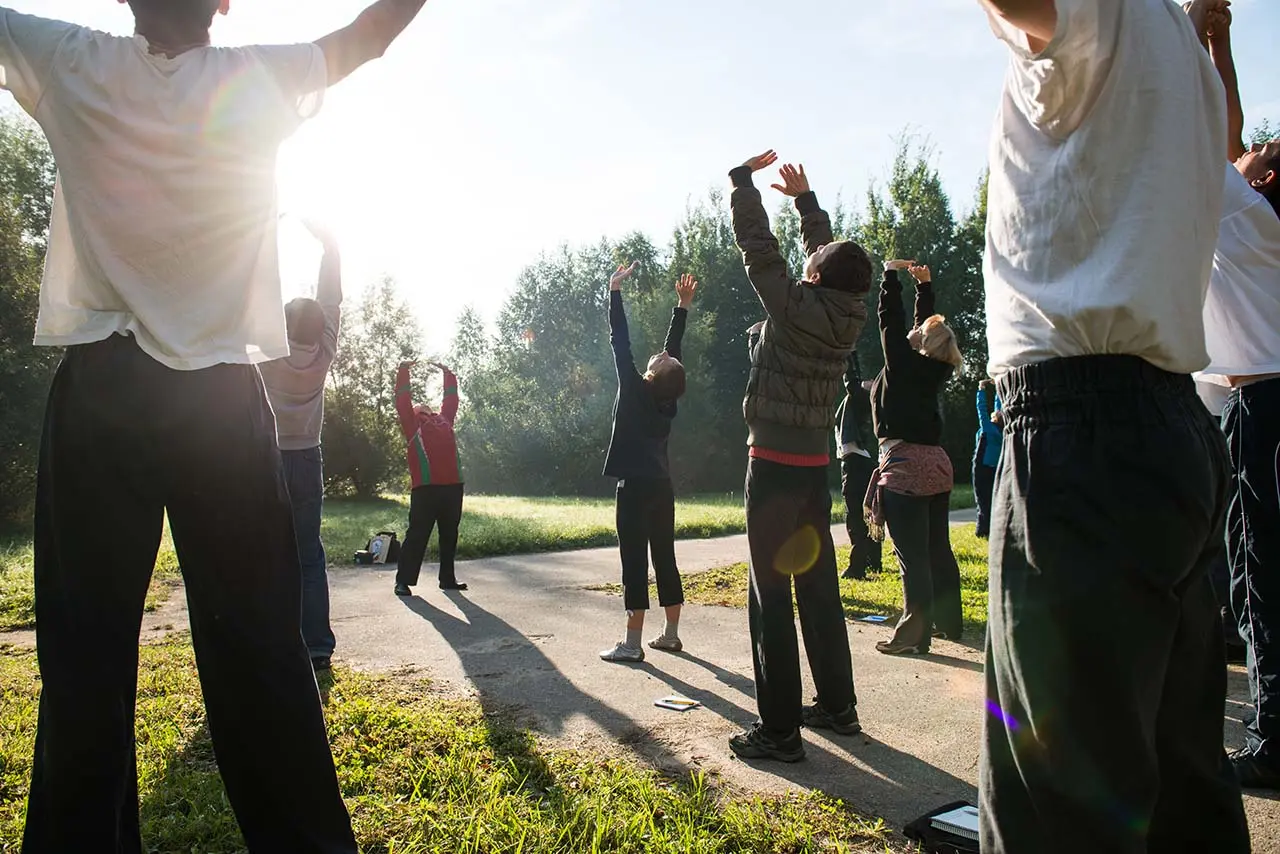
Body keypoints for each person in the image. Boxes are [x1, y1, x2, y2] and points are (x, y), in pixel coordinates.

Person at [4, 0, 431, 848]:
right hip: (220, 406)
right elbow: (369, 35)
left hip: (103, 395)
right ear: (226, 2)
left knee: (84, 667)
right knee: (263, 659)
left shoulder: (68, 61)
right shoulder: (257, 79)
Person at [976, 0, 1250, 850]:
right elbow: (1232, 137)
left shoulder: (1108, 12)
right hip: (1174, 425)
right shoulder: (1181, 53)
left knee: (1058, 812)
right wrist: (1216, 38)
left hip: (1077, 434)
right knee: (1181, 792)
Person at [726, 153, 872, 763]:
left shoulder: (795, 304)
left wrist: (743, 187)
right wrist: (808, 205)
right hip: (814, 470)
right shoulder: (849, 310)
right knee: (818, 589)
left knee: (771, 597)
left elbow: (761, 253)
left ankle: (780, 730)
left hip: (775, 465)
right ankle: (838, 708)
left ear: (812, 278)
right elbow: (830, 262)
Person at [1193, 2, 1280, 790]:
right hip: (1261, 404)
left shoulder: (1255, 224)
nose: (1240, 159)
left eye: (1255, 161)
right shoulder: (1265, 220)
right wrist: (1222, 44)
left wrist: (1206, 41)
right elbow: (1231, 140)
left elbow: (1218, 136)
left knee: (1262, 577)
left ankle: (1275, 742)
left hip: (1266, 411)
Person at [864, 261, 964, 656]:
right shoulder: (937, 367)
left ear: (919, 342)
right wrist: (924, 287)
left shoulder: (902, 365)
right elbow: (925, 331)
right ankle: (949, 623)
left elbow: (891, 322)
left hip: (905, 464)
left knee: (912, 556)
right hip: (937, 464)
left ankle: (912, 636)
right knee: (937, 547)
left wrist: (890, 276)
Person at [598, 262, 696, 663]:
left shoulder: (637, 390)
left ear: (653, 375)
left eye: (659, 360)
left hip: (635, 489)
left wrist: (615, 292)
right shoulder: (666, 398)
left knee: (634, 561)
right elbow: (673, 353)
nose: (659, 355)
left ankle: (632, 644)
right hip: (661, 486)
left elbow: (620, 342)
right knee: (665, 557)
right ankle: (670, 635)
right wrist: (682, 308)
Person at [260, 218, 343, 673]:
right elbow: (330, 299)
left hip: (266, 458)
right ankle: (317, 647)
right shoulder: (324, 353)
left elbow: (259, 293)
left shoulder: (269, 350)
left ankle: (271, 640)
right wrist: (330, 247)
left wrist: (261, 232)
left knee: (266, 553)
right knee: (308, 554)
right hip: (307, 459)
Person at [393, 360, 468, 595]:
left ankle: (447, 579)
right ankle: (403, 581)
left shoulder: (445, 420)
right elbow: (403, 400)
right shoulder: (412, 424)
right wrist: (404, 371)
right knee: (417, 535)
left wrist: (448, 373)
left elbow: (451, 400)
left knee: (449, 535)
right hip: (425, 488)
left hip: (453, 486)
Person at [834, 351, 883, 579]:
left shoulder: (863, 398)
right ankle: (874, 561)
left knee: (855, 515)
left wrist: (849, 351)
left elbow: (851, 380)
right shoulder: (875, 402)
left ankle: (857, 567)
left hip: (856, 462)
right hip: (867, 460)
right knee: (870, 512)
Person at [971, 379, 1002, 539]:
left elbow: (981, 408)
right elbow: (999, 406)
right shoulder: (1003, 429)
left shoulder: (988, 427)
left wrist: (981, 389)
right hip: (996, 466)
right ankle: (993, 527)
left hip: (983, 465)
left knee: (982, 497)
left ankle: (982, 529)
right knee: (994, 497)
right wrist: (998, 388)